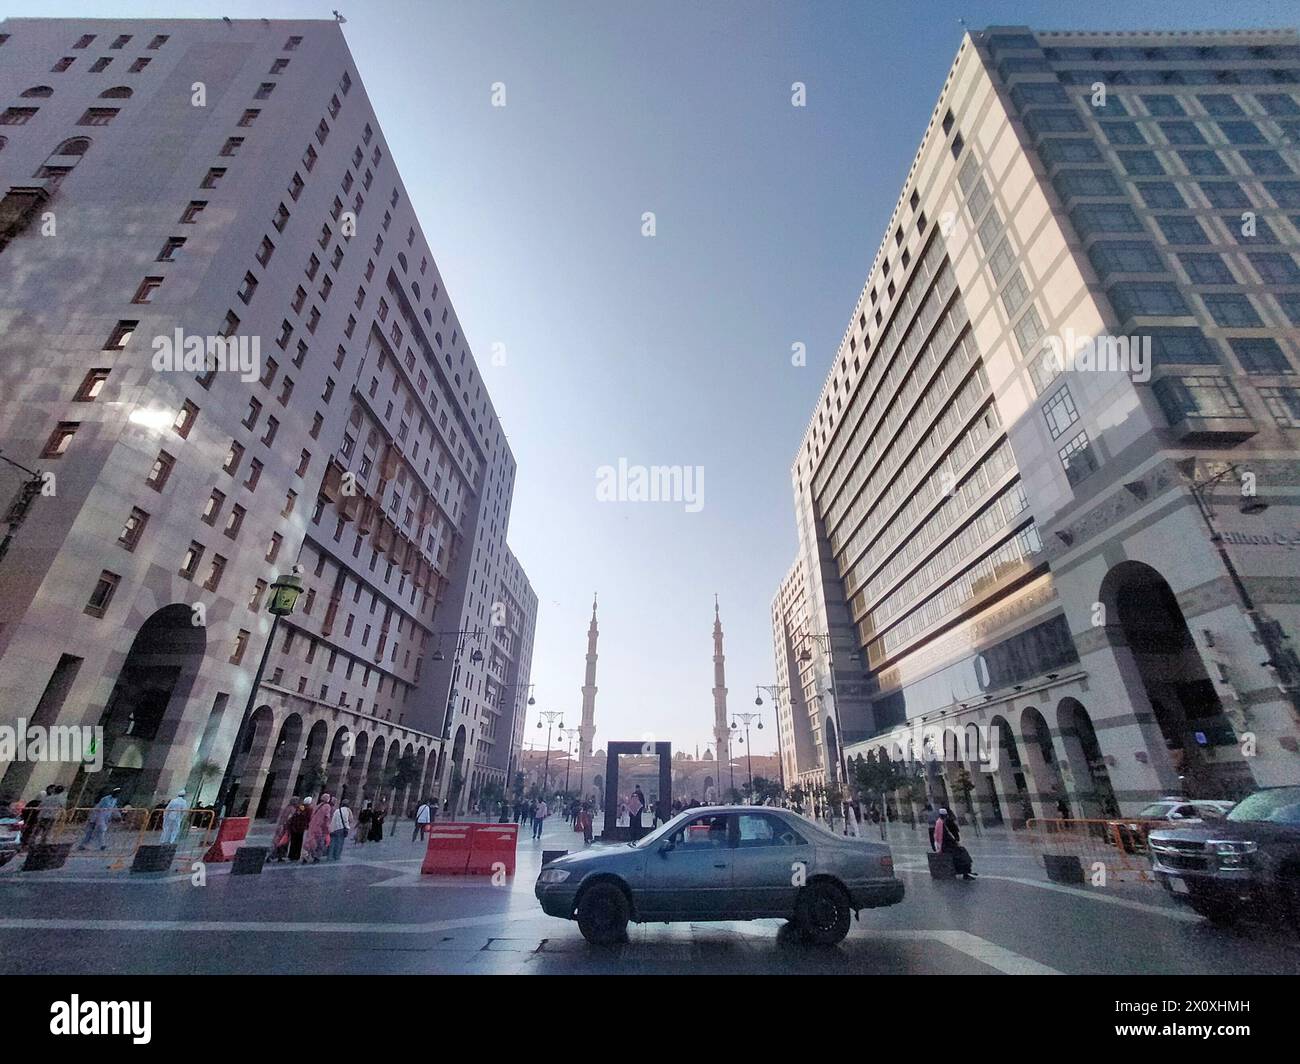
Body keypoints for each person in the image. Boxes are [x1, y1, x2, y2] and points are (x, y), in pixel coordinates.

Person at [937, 808, 977, 880]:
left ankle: (965, 872)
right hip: (948, 847)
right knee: (963, 855)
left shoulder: (939, 823)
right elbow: (947, 836)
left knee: (960, 855)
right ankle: (966, 873)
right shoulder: (944, 823)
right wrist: (955, 842)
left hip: (945, 846)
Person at [304, 792, 333, 863]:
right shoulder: (327, 806)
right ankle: (316, 857)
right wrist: (327, 828)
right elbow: (326, 818)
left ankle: (306, 856)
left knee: (311, 841)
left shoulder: (317, 805)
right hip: (320, 828)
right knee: (320, 843)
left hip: (312, 826)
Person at [271, 795, 300, 861]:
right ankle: (273, 855)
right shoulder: (291, 809)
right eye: (297, 801)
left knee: (281, 842)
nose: (298, 802)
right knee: (282, 842)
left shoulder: (288, 807)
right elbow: (290, 818)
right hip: (285, 828)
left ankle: (279, 856)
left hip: (283, 827)